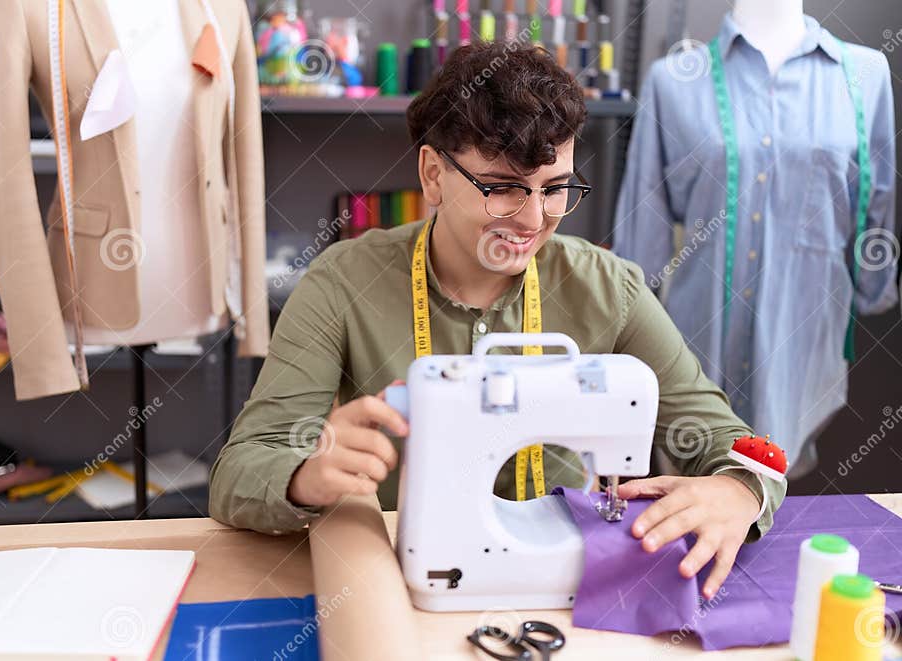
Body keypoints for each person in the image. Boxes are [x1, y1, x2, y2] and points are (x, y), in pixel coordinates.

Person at [210, 41, 786, 599]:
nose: (534, 218)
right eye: (504, 188)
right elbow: (239, 472)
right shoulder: (343, 281)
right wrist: (301, 475)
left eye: (555, 188)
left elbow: (727, 442)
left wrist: (738, 489)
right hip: (391, 589)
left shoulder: (612, 288)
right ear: (433, 175)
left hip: (559, 592)